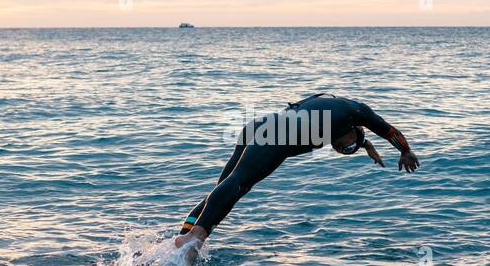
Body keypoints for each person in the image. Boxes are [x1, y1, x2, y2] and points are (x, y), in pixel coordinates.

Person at [174, 93, 420, 251]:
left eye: (345, 151)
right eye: (348, 145)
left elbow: (348, 135)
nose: (342, 149)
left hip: (261, 124)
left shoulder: (328, 113)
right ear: (354, 129)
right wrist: (405, 150)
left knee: (228, 188)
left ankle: (183, 235)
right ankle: (195, 237)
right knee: (238, 183)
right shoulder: (355, 110)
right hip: (279, 133)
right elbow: (387, 130)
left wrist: (363, 145)